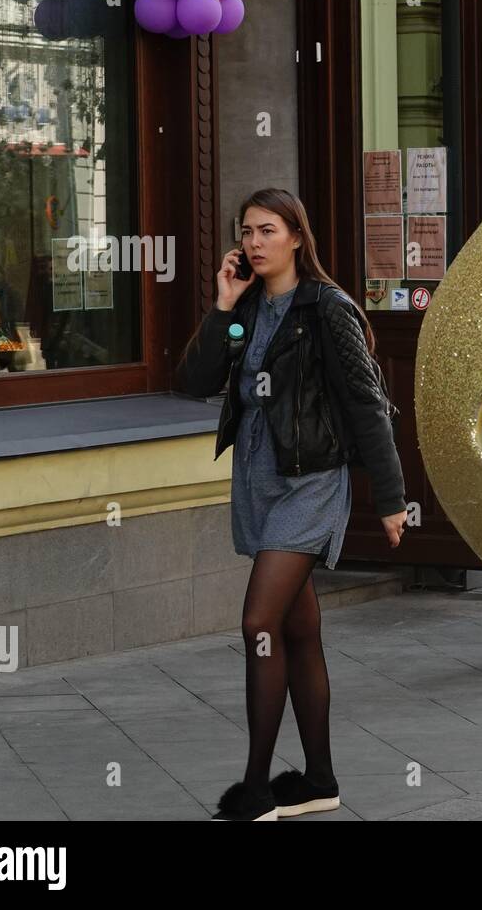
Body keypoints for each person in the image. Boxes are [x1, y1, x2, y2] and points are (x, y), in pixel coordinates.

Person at [176, 188, 407, 821]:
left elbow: (366, 403)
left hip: (311, 482)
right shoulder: (245, 307)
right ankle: (320, 780)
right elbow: (193, 383)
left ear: (297, 237)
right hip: (256, 478)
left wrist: (390, 499)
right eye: (246, 231)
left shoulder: (325, 308)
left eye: (267, 230)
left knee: (258, 624)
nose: (253, 242)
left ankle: (255, 789)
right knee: (300, 631)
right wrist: (222, 306)